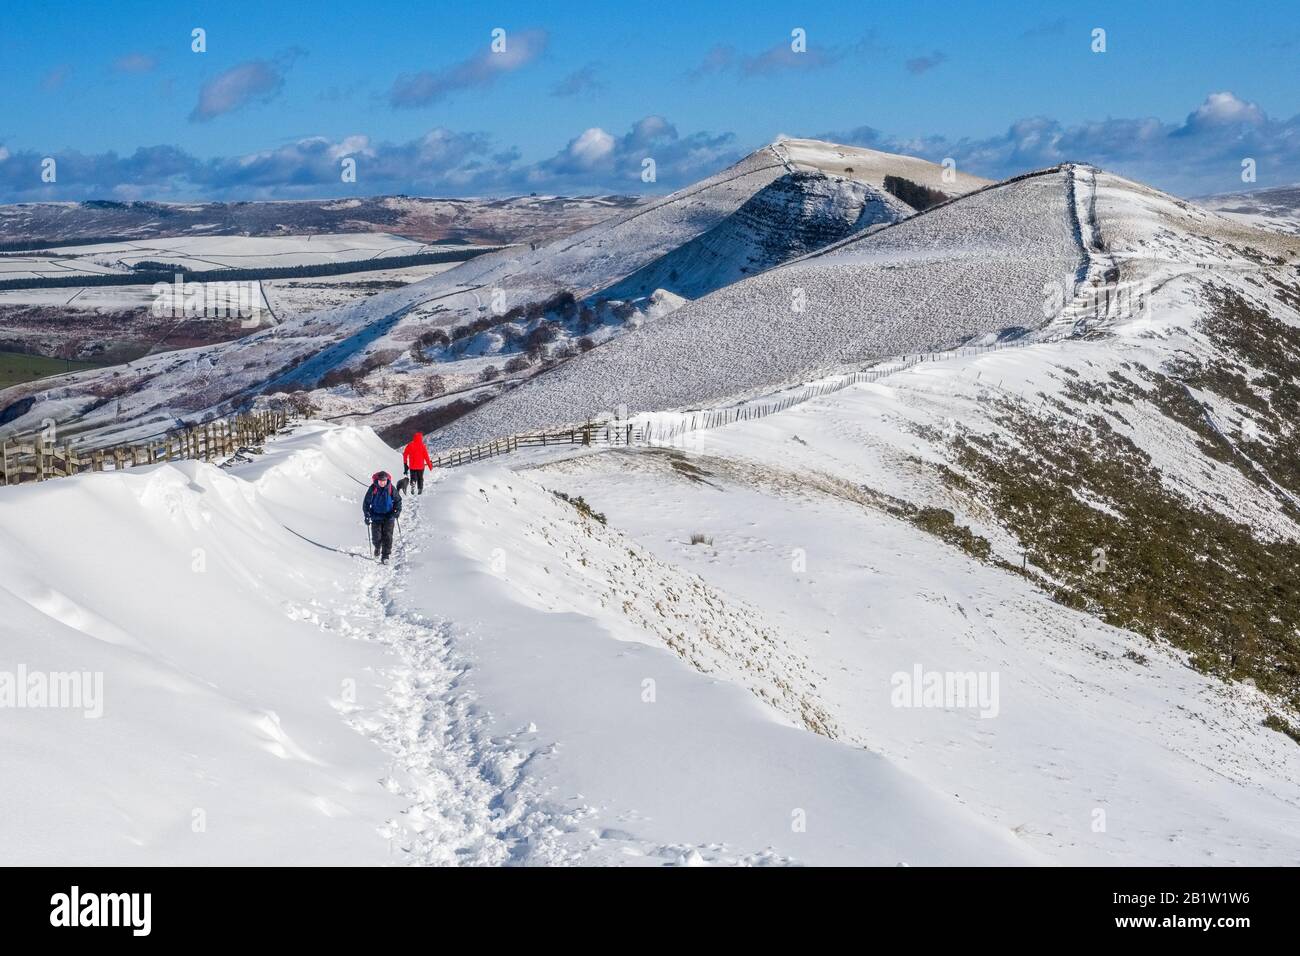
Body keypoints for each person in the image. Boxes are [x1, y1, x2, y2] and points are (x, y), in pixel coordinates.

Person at [362, 470, 402, 563]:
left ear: (387, 480)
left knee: (388, 536)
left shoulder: (391, 488)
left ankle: (385, 556)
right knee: (377, 537)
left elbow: (398, 500)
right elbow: (366, 503)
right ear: (377, 481)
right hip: (376, 516)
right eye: (380, 481)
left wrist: (397, 511)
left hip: (389, 516)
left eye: (384, 481)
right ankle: (377, 547)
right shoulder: (373, 488)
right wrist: (367, 515)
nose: (382, 483)